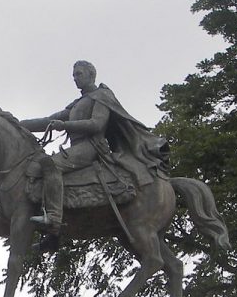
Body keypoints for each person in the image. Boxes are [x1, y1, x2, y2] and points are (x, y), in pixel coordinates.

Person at [20, 60, 168, 233]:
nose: (75, 78)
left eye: (79, 74)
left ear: (91, 75)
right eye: (73, 75)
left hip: (91, 147)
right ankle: (53, 238)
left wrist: (65, 125)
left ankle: (53, 216)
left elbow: (97, 124)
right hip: (75, 148)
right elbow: (48, 121)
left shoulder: (101, 96)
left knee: (51, 164)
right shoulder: (78, 103)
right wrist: (18, 124)